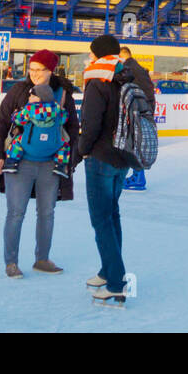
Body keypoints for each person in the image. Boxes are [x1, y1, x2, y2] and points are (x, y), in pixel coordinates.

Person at [0, 49, 79, 279]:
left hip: (51, 163)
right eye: (32, 69)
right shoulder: (18, 90)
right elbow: (1, 122)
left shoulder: (62, 94)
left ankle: (42, 259)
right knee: (16, 213)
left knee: (47, 213)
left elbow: (72, 129)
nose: (35, 74)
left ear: (51, 71)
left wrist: (71, 161)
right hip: (19, 162)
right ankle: (11, 262)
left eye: (41, 70)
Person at [77, 34, 133, 306]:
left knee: (101, 219)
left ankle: (115, 283)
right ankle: (107, 270)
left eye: (91, 54)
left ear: (99, 55)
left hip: (100, 156)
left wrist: (82, 149)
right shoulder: (129, 76)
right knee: (112, 215)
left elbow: (90, 122)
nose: (89, 59)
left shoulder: (98, 79)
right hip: (124, 156)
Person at [2, 82, 71, 178]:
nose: (29, 98)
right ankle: (60, 165)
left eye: (32, 96)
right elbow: (64, 119)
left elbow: (18, 120)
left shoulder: (29, 109)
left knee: (17, 141)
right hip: (52, 146)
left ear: (39, 98)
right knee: (65, 145)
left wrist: (14, 115)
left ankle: (11, 162)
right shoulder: (57, 109)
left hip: (30, 146)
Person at [118, 47, 155, 191]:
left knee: (134, 143)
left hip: (139, 108)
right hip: (144, 107)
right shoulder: (135, 66)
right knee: (134, 142)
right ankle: (137, 175)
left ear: (122, 55)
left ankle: (138, 177)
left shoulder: (129, 67)